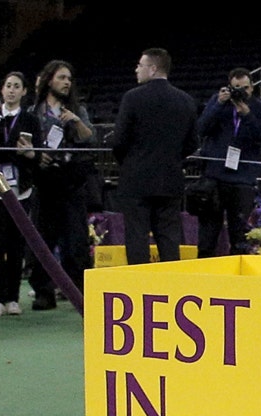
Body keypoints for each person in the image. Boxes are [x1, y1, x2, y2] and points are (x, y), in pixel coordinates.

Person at [112, 48, 199, 265]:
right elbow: (192, 144)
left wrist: (130, 163)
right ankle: (171, 288)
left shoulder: (132, 98)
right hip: (170, 181)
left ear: (152, 68)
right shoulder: (187, 100)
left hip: (136, 180)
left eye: (140, 65)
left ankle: (139, 289)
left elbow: (119, 141)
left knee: (137, 238)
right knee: (170, 239)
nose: (136, 69)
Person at [29, 59, 95, 309]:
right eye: (62, 78)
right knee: (43, 239)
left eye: (69, 78)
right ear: (49, 80)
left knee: (76, 241)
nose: (67, 82)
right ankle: (43, 291)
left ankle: (80, 292)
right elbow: (24, 144)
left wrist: (76, 122)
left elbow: (91, 138)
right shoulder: (33, 112)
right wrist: (37, 156)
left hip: (72, 183)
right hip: (45, 183)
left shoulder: (78, 109)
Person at [194, 67, 261, 258]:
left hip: (242, 180)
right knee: (207, 238)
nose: (241, 92)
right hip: (215, 178)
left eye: (245, 88)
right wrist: (218, 104)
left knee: (240, 237)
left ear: (252, 88)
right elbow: (201, 129)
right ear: (229, 87)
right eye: (236, 88)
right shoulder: (218, 102)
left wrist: (247, 114)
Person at [0, 72, 41, 317]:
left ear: (24, 92)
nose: (11, 90)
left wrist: (30, 154)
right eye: (8, 86)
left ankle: (13, 298)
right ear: (2, 90)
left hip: (21, 191)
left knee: (16, 245)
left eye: (17, 86)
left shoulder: (30, 120)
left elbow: (37, 154)